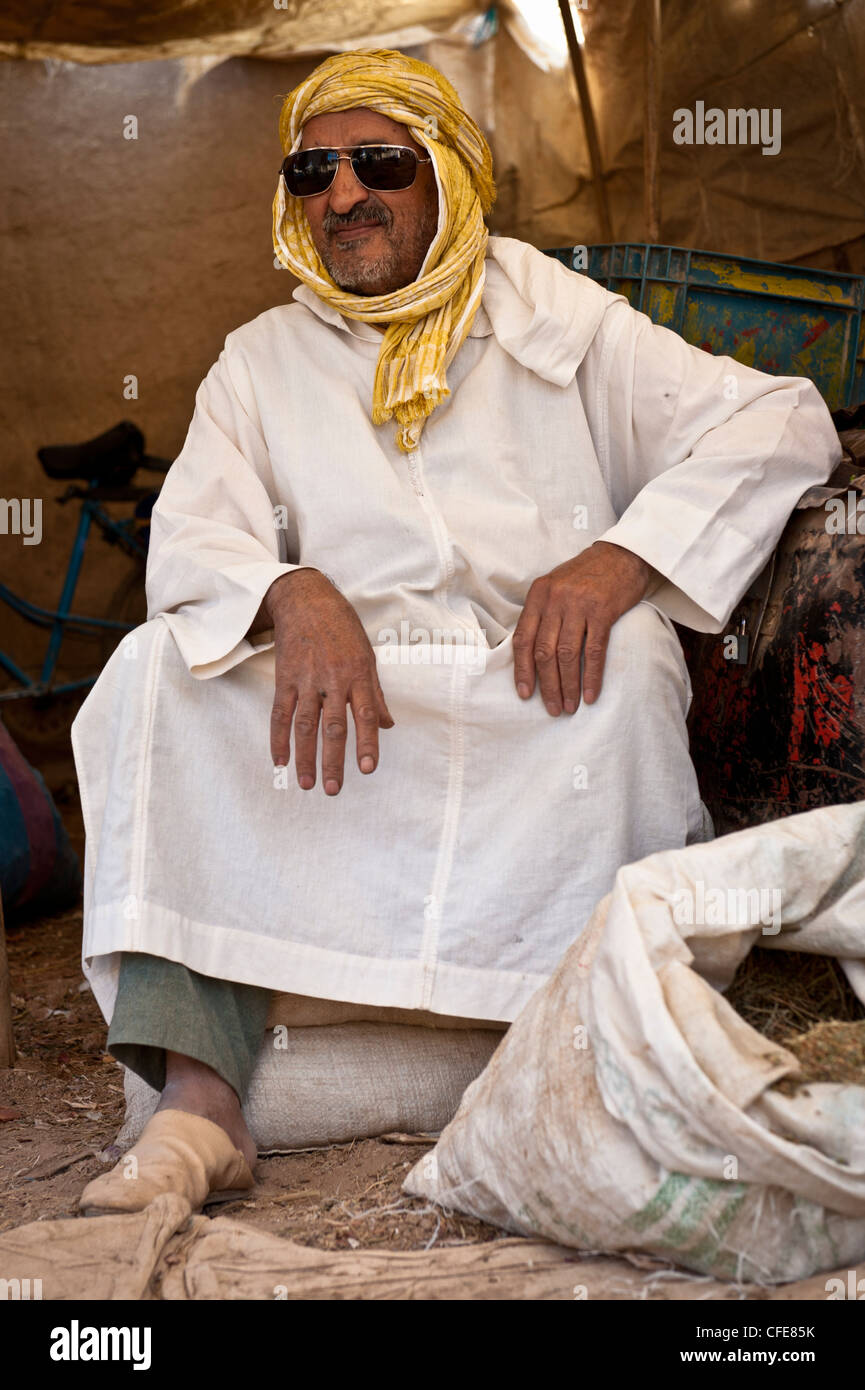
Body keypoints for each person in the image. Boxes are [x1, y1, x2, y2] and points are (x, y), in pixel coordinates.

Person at [73, 48, 840, 1214]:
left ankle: (583, 1052)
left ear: (444, 173)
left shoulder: (555, 312)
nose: (341, 194)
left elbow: (780, 420)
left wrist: (616, 556)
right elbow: (195, 543)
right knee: (152, 674)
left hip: (531, 709)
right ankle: (203, 1099)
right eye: (310, 170)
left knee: (632, 658)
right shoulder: (260, 362)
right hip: (349, 718)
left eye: (378, 161)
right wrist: (292, 592)